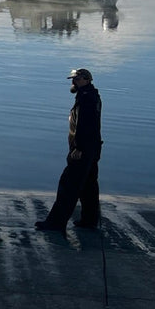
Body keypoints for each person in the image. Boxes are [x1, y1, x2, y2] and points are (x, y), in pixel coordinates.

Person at [36, 67, 103, 232]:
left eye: (78, 79)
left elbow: (84, 126)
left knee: (68, 185)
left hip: (83, 150)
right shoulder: (92, 96)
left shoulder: (87, 99)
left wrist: (78, 148)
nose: (74, 82)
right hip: (93, 149)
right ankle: (89, 220)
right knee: (89, 187)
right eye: (73, 79)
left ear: (87, 80)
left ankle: (55, 223)